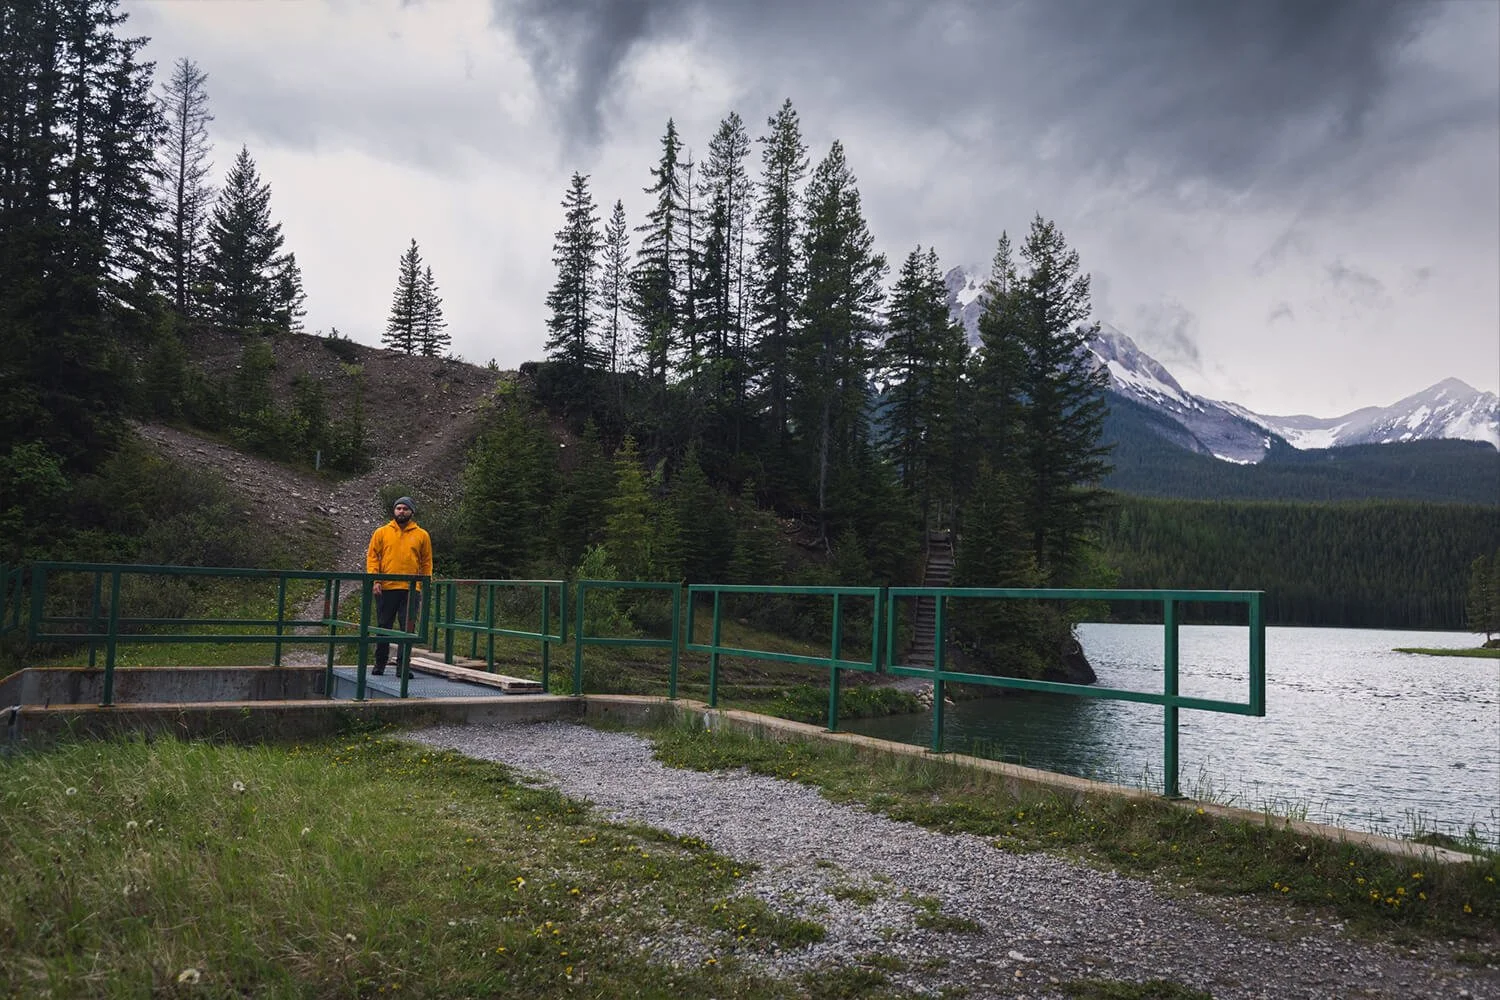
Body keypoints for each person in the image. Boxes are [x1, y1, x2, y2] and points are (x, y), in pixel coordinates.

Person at [365, 496, 433, 676]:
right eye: (398, 508)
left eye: (405, 509)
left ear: (412, 512)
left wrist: (423, 583)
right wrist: (375, 580)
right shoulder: (381, 532)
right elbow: (373, 557)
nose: (401, 511)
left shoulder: (422, 535)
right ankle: (380, 663)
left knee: (407, 628)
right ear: (394, 511)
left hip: (410, 589)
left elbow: (426, 562)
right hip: (386, 587)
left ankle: (403, 667)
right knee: (383, 626)